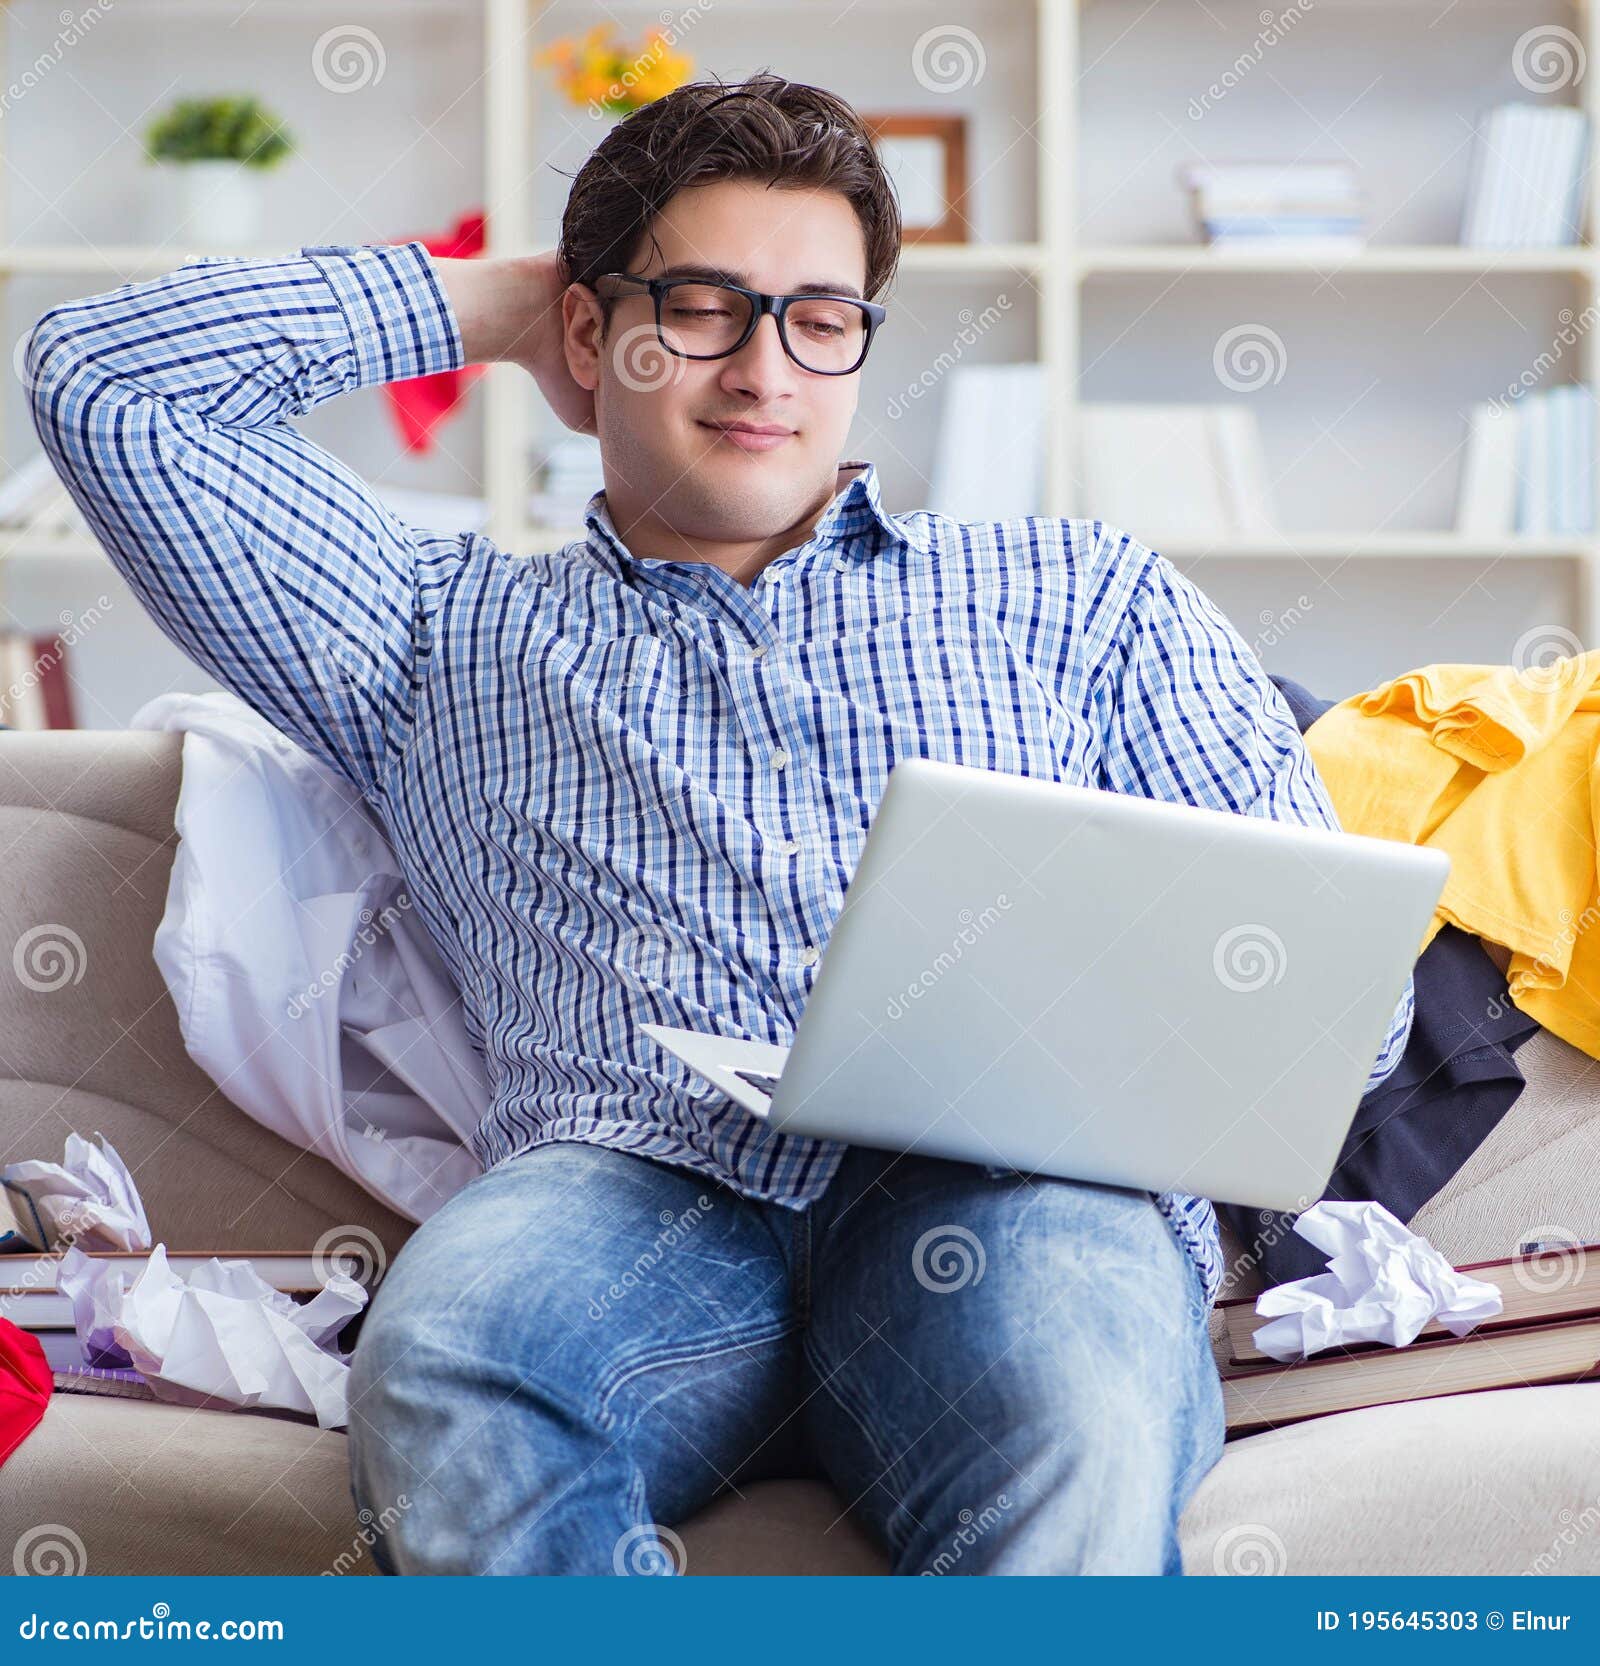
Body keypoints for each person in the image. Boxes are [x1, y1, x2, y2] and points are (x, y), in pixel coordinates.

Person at [25, 73, 1411, 1575]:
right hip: (627, 1193)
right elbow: (104, 381)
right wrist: (496, 304)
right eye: (698, 305)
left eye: (821, 316)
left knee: (1077, 1398)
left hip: (1016, 1188)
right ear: (589, 332)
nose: (767, 368)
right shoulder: (431, 632)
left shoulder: (1085, 594)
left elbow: (1339, 1001)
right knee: (450, 1365)